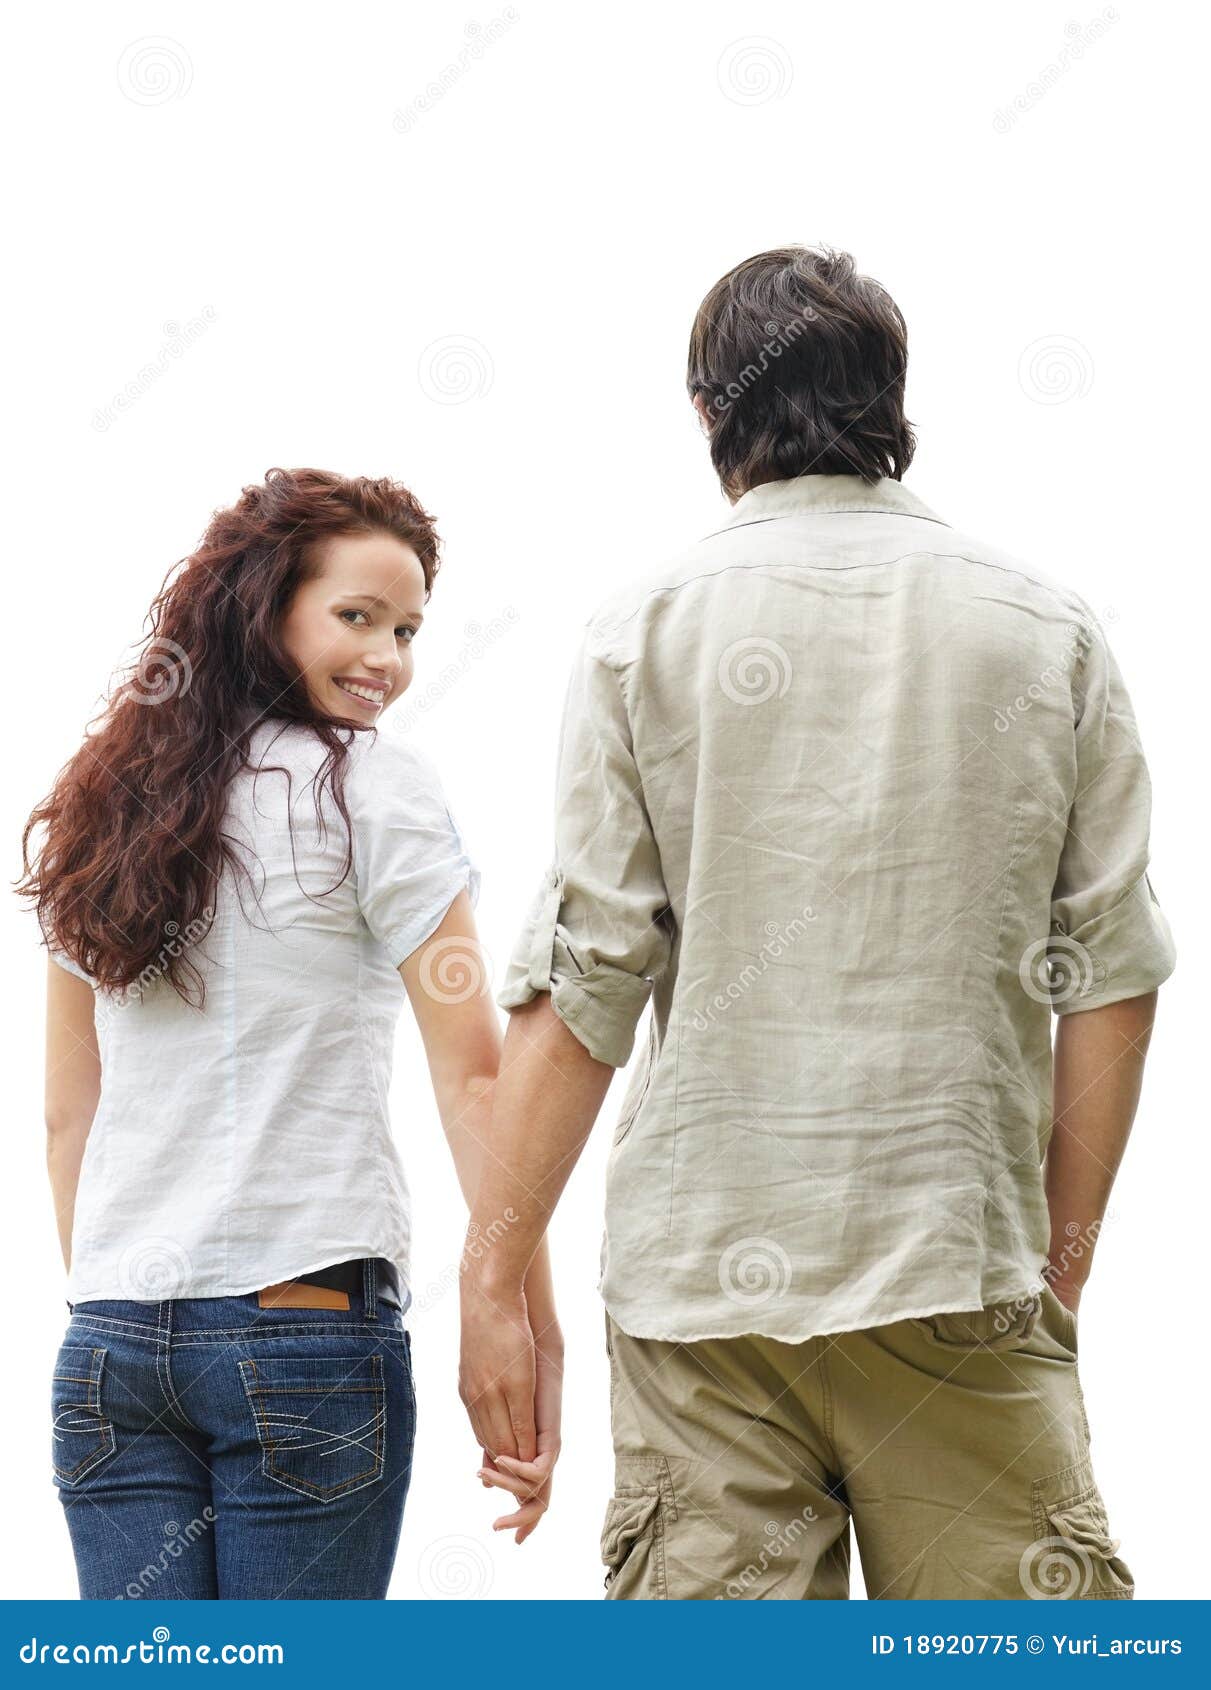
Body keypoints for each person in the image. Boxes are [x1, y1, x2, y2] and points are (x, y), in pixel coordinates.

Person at [458, 247, 1176, 1600]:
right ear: (890, 404)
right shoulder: (1046, 630)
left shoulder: (639, 634)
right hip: (960, 1275)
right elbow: (1111, 981)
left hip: (700, 1308)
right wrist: (1053, 1278)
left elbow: (588, 985)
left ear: (704, 413)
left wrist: (492, 1274)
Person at [20, 466, 559, 1600]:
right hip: (302, 1335)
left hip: (111, 1347)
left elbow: (71, 1115)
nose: (389, 660)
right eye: (355, 617)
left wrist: (136, 1313)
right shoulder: (375, 787)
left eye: (409, 628)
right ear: (262, 608)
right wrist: (522, 1312)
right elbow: (474, 1083)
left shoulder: (102, 807)